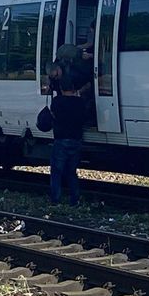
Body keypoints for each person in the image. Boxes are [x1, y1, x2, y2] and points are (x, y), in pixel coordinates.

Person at [49, 73, 87, 206]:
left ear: (61, 88)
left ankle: (56, 199)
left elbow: (53, 115)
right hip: (76, 139)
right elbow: (84, 118)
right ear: (73, 87)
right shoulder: (80, 102)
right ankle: (74, 199)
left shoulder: (57, 101)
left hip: (61, 139)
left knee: (56, 171)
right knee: (72, 172)